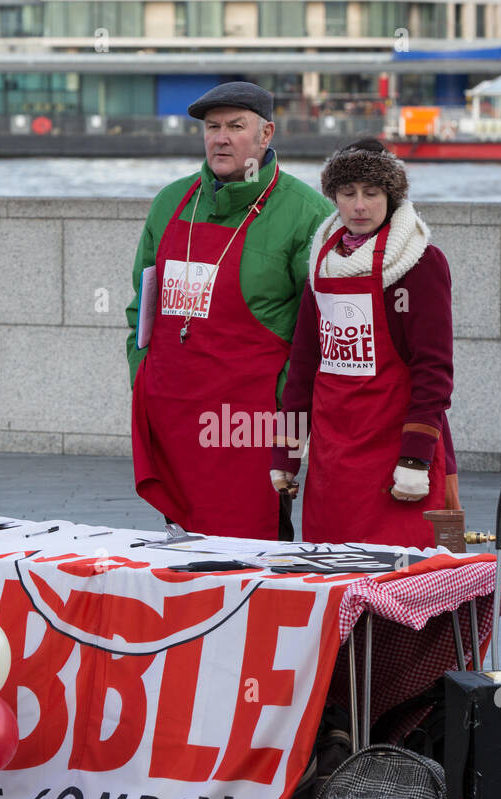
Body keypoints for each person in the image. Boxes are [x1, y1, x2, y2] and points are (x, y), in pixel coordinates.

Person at [126, 81, 336, 541]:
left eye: (235, 127)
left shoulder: (307, 212)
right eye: (212, 127)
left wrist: (282, 403)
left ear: (266, 134)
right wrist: (142, 377)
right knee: (180, 553)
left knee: (255, 552)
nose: (220, 138)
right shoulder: (170, 202)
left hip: (252, 423)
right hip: (173, 412)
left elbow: (322, 325)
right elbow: (142, 303)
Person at [269, 138, 461, 548]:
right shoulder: (321, 262)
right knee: (332, 571)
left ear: (390, 197)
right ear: (333, 197)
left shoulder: (422, 263)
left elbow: (434, 372)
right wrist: (286, 452)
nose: (359, 206)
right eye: (347, 192)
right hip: (333, 457)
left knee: (404, 575)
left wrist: (415, 459)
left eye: (371, 193)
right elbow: (303, 366)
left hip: (398, 454)